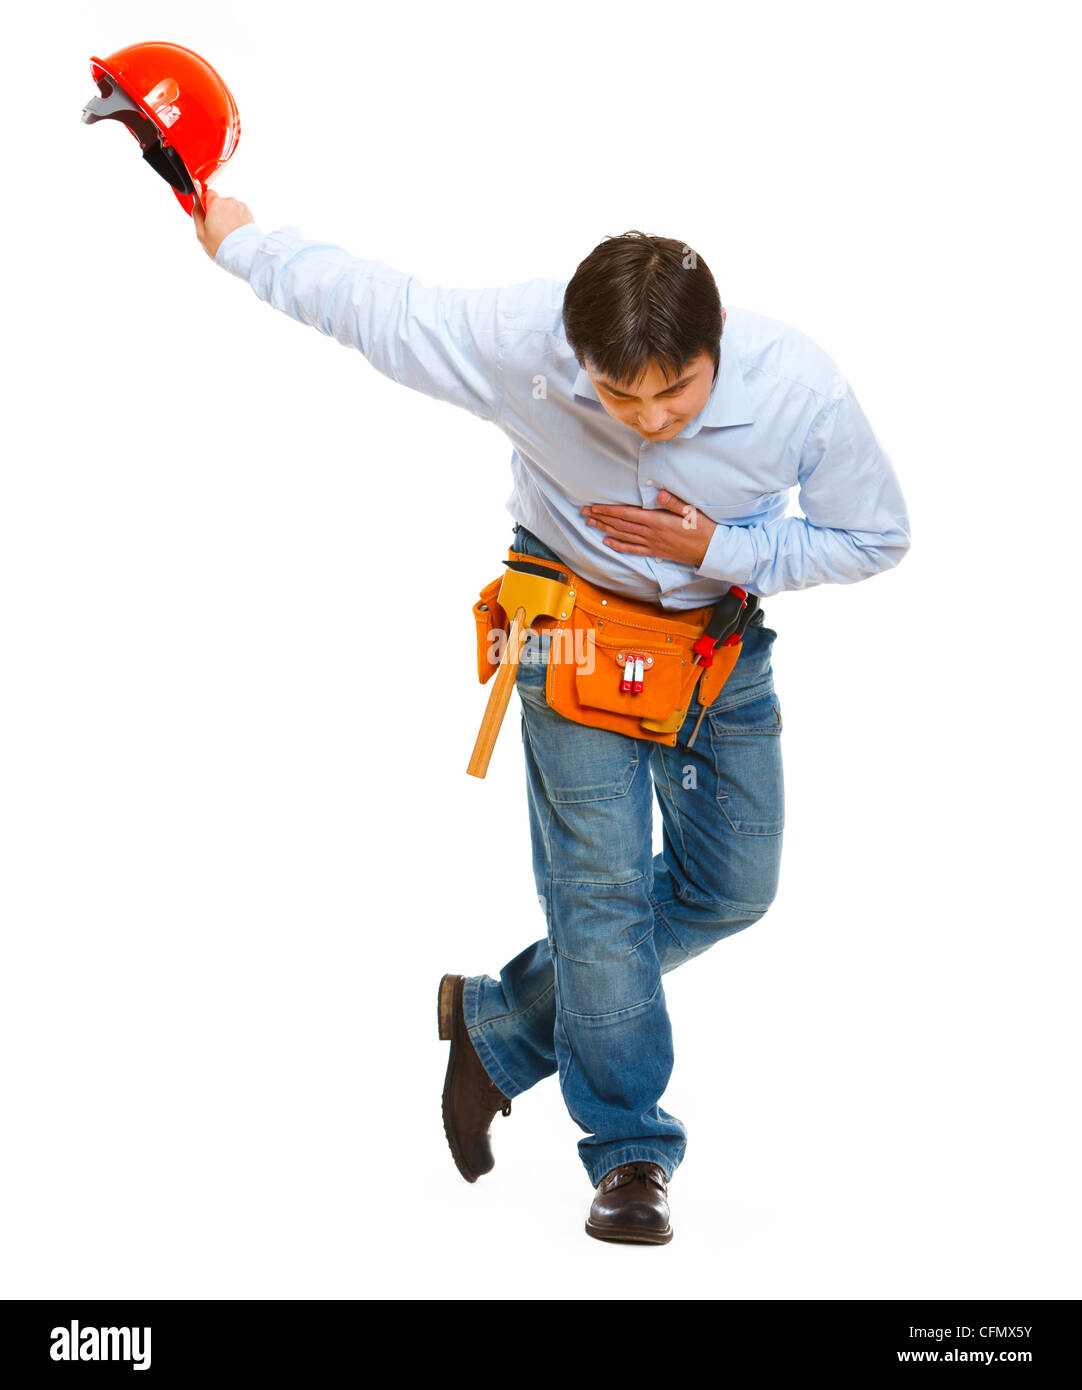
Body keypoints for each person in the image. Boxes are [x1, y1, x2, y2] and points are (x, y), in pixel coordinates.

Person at [194, 190, 911, 1244]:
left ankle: (500, 1023)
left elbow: (873, 534)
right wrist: (240, 240)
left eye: (676, 390)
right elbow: (379, 309)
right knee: (601, 891)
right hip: (566, 625)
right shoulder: (519, 345)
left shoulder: (797, 387)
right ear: (579, 363)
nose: (655, 418)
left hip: (712, 642)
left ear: (717, 344)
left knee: (733, 886)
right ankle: (628, 1151)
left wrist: (721, 549)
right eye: (624, 397)